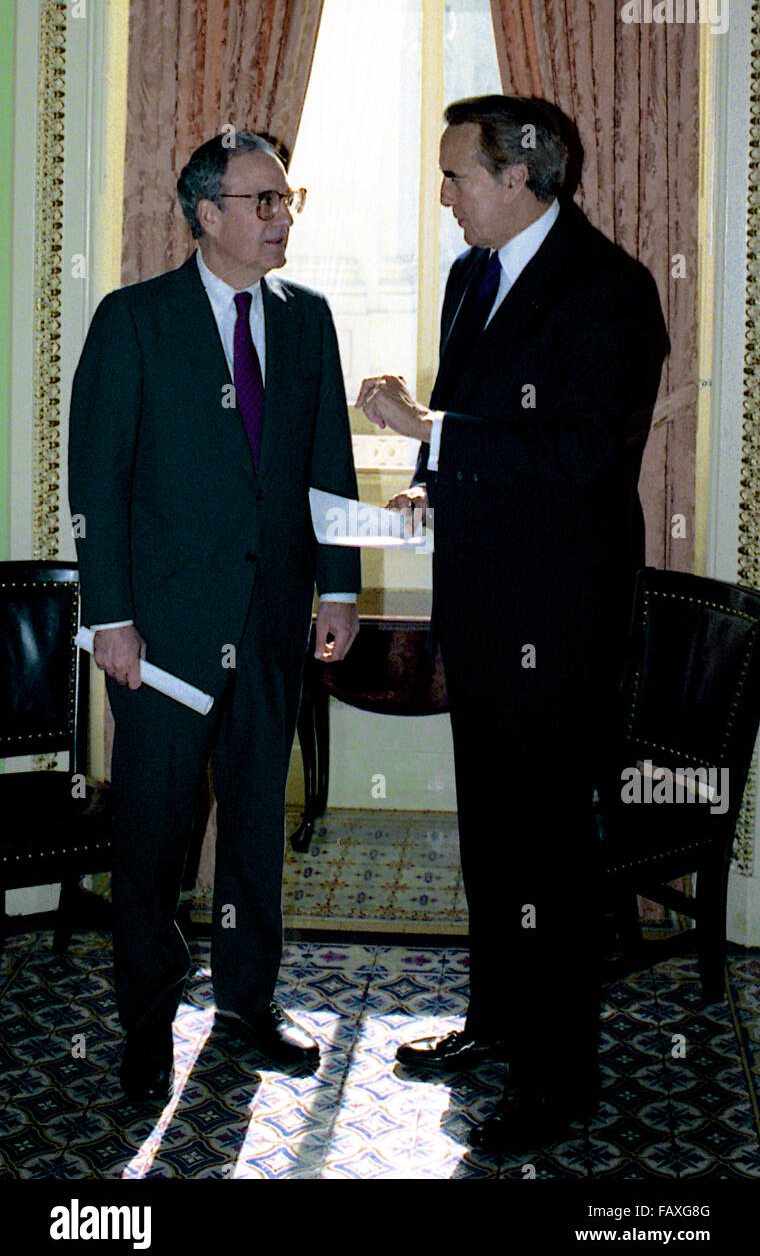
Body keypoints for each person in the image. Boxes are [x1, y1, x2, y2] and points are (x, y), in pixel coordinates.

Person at [356, 95, 668, 1151]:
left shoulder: (609, 291)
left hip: (561, 628)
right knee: (492, 838)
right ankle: (496, 1023)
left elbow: (582, 458)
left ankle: (558, 1080)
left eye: (456, 177)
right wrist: (430, 483)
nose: (443, 198)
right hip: (482, 614)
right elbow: (496, 448)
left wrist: (430, 427)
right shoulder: (469, 276)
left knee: (549, 853)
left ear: (522, 177)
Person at [69, 132, 360, 1104]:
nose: (282, 216)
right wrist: (109, 617)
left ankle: (246, 1007)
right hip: (161, 640)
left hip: (274, 624)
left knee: (251, 833)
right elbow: (98, 483)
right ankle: (146, 1024)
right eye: (264, 200)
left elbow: (328, 466)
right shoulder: (134, 320)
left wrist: (339, 588)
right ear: (205, 213)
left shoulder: (309, 321)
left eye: (288, 198)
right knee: (152, 836)